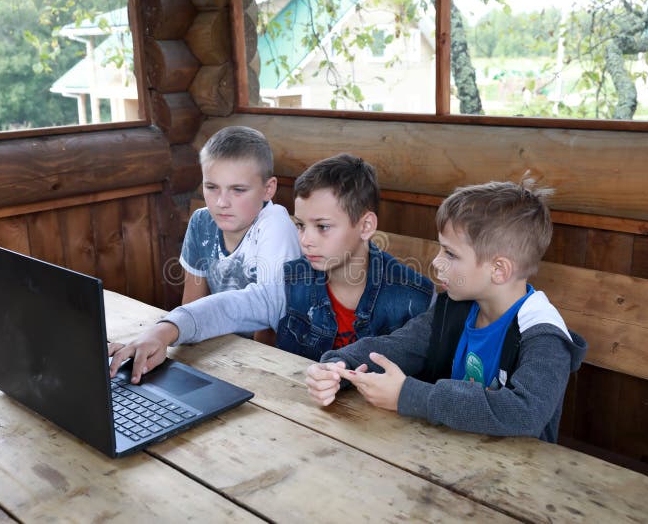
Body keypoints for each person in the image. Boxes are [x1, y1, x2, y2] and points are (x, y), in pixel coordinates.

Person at [109, 153, 434, 383]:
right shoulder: (293, 282)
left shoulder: (416, 298)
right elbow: (230, 307)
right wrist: (163, 331)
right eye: (301, 225)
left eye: (322, 227)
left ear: (365, 226)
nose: (306, 240)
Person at [305, 180, 587, 443]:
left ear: (499, 270)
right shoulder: (454, 307)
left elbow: (524, 413)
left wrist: (409, 395)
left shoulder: (545, 336)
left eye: (450, 254)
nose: (436, 262)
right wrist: (339, 367)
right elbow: (399, 346)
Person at [180, 126, 300, 344]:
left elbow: (270, 328)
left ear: (268, 189)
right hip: (219, 343)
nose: (221, 202)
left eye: (238, 190)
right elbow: (191, 305)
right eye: (212, 187)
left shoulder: (275, 227)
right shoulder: (201, 222)